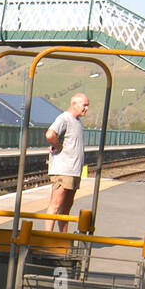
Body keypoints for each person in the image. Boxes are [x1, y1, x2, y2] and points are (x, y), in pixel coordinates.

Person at [45, 92, 90, 231]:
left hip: (74, 171)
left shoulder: (77, 122)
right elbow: (50, 134)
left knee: (66, 208)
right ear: (74, 104)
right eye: (84, 105)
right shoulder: (64, 118)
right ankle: (47, 238)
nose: (86, 109)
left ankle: (62, 240)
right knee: (56, 204)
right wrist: (58, 146)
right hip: (64, 170)